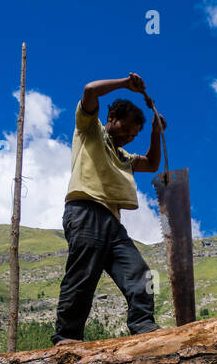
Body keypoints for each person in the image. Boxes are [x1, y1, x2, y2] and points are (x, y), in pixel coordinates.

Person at [53, 73, 164, 343]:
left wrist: (154, 132)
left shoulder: (124, 155)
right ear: (111, 117)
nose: (128, 137)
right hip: (85, 210)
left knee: (141, 273)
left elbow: (151, 164)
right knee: (83, 276)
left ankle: (143, 326)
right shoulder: (90, 129)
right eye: (126, 130)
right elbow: (90, 89)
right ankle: (67, 337)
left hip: (112, 221)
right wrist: (126, 84)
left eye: (133, 134)